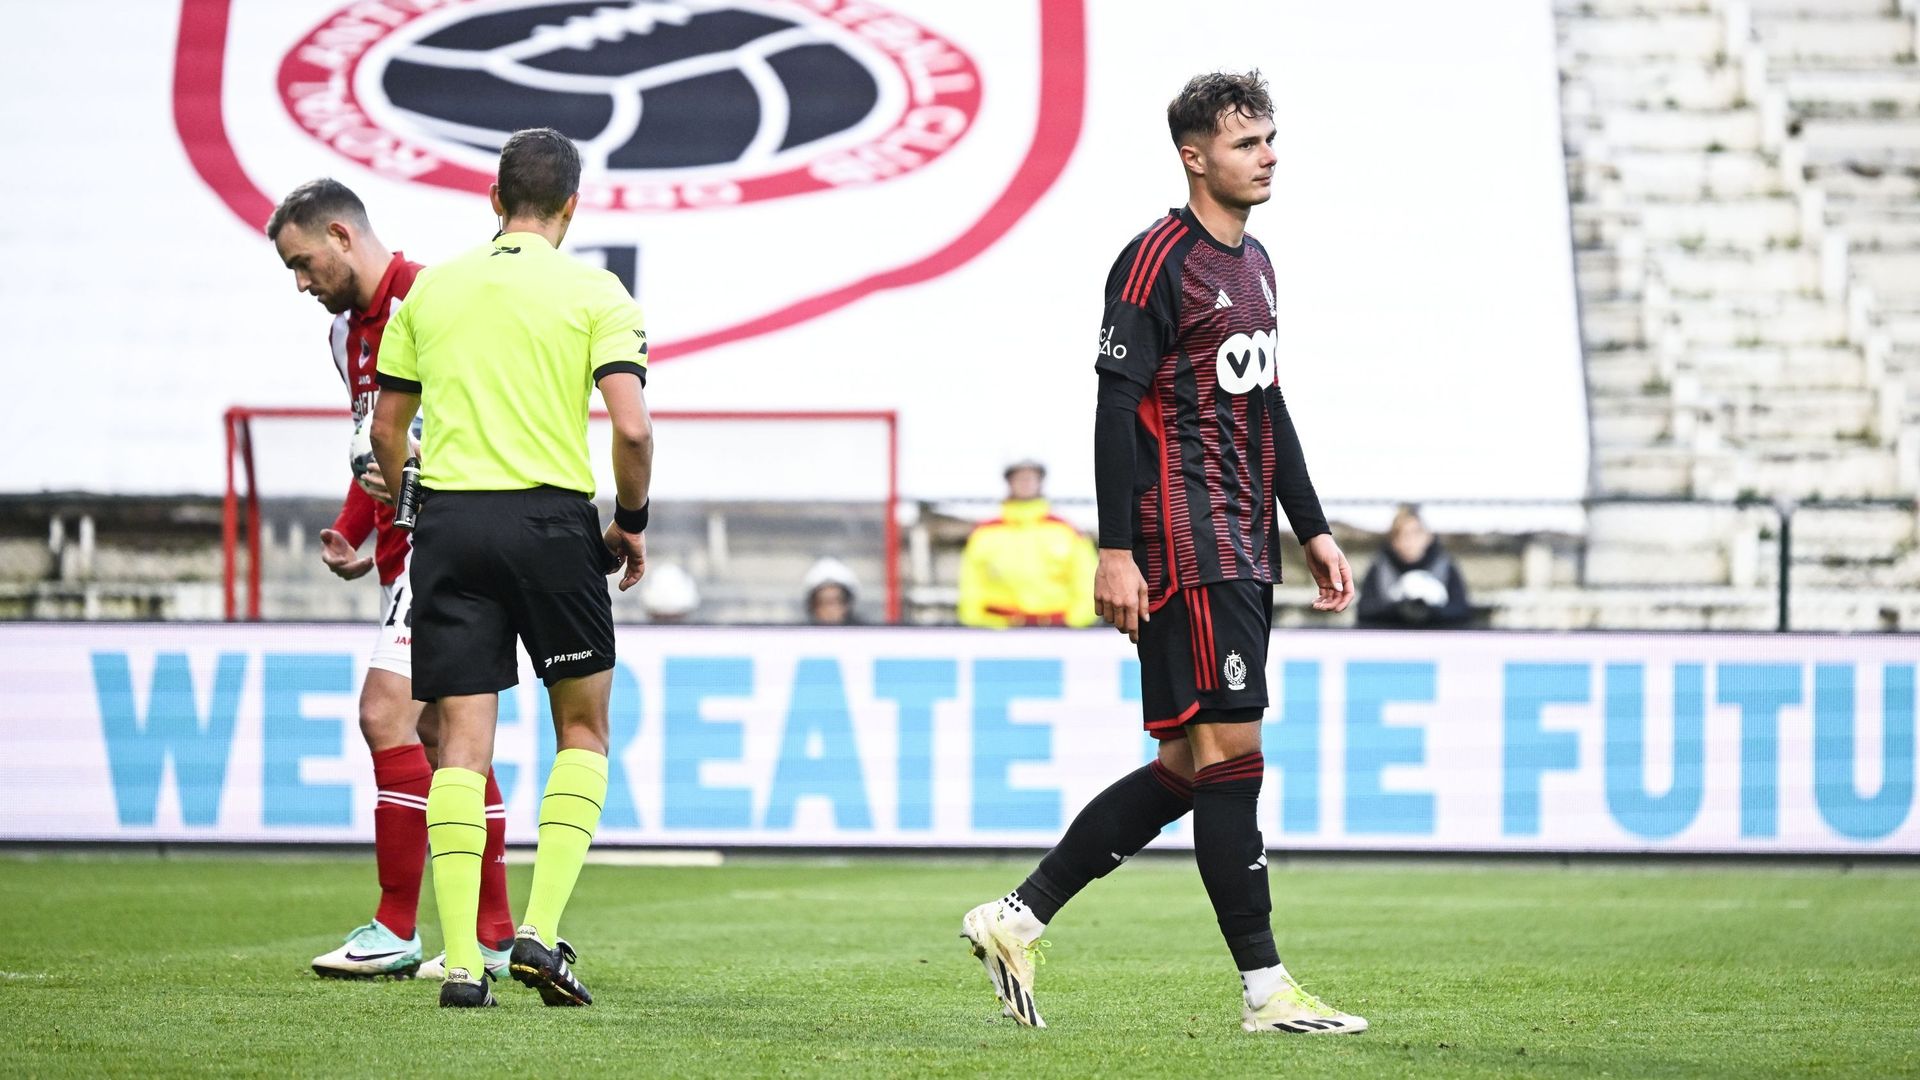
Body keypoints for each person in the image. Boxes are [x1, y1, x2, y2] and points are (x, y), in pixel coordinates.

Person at [960, 71, 1369, 1036]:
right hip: (1184, 547)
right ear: (1194, 156)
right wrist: (1114, 549)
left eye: (1271, 138)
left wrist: (1308, 524)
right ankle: (1266, 992)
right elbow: (1114, 409)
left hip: (1244, 543)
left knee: (1192, 767)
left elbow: (1266, 404)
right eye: (1246, 143)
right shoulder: (1154, 263)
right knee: (1233, 758)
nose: (1267, 155)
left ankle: (1015, 918)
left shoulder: (1257, 262)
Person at [369, 127, 652, 1008]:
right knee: (583, 730)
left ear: (494, 201)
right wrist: (630, 521)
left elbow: (387, 430)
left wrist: (411, 508)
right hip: (551, 520)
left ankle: (460, 964)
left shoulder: (432, 290)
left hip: (452, 523)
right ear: (572, 205)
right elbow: (633, 428)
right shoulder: (597, 290)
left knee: (458, 741)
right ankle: (537, 929)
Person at [266, 179, 516, 983]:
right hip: (402, 553)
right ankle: (497, 932)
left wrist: (414, 494)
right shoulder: (346, 337)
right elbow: (379, 442)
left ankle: (396, 926)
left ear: (342, 235)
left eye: (304, 264)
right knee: (449, 741)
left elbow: (474, 426)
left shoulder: (437, 302)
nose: (301, 285)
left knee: (385, 716)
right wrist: (353, 525)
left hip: (448, 544)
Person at [955, 460, 1098, 628]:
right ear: (1009, 482)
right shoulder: (985, 532)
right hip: (998, 630)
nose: (1025, 483)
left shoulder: (1066, 531)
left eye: (1030, 478)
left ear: (1040, 482)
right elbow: (971, 582)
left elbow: (1086, 580)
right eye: (1019, 478)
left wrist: (1075, 620)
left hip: (1056, 629)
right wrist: (977, 621)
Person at [1357, 506, 1472, 628]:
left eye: (1416, 533)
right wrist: (1399, 610)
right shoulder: (1380, 567)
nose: (1409, 541)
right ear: (1393, 540)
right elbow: (1364, 610)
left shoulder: (1445, 565)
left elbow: (1462, 609)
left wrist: (1430, 611)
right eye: (1402, 534)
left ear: (1428, 537)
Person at [803, 557, 859, 625]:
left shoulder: (866, 633)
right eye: (824, 602)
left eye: (836, 601)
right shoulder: (800, 634)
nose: (830, 610)